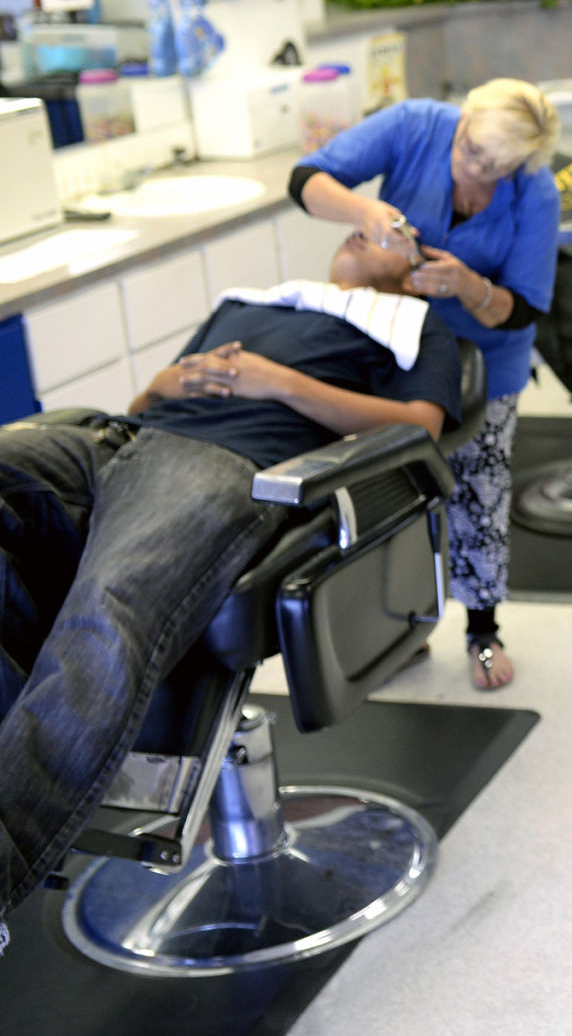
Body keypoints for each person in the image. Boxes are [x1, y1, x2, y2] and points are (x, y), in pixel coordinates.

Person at [0, 225, 463, 951]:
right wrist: (168, 382)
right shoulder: (254, 300)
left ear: (416, 270)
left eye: (393, 231)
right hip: (114, 437)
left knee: (108, 609)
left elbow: (422, 427)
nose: (367, 224)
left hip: (224, 462)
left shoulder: (412, 326)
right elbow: (149, 397)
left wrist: (277, 384)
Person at [293, 77, 561, 688]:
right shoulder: (415, 124)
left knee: (477, 490)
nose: (472, 167)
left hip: (485, 358)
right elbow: (306, 178)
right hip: (394, 342)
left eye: (493, 165)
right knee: (392, 491)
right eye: (468, 148)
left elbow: (524, 307)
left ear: (520, 163)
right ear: (461, 119)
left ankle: (483, 635)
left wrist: (468, 285)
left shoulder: (536, 194)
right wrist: (366, 210)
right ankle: (401, 631)